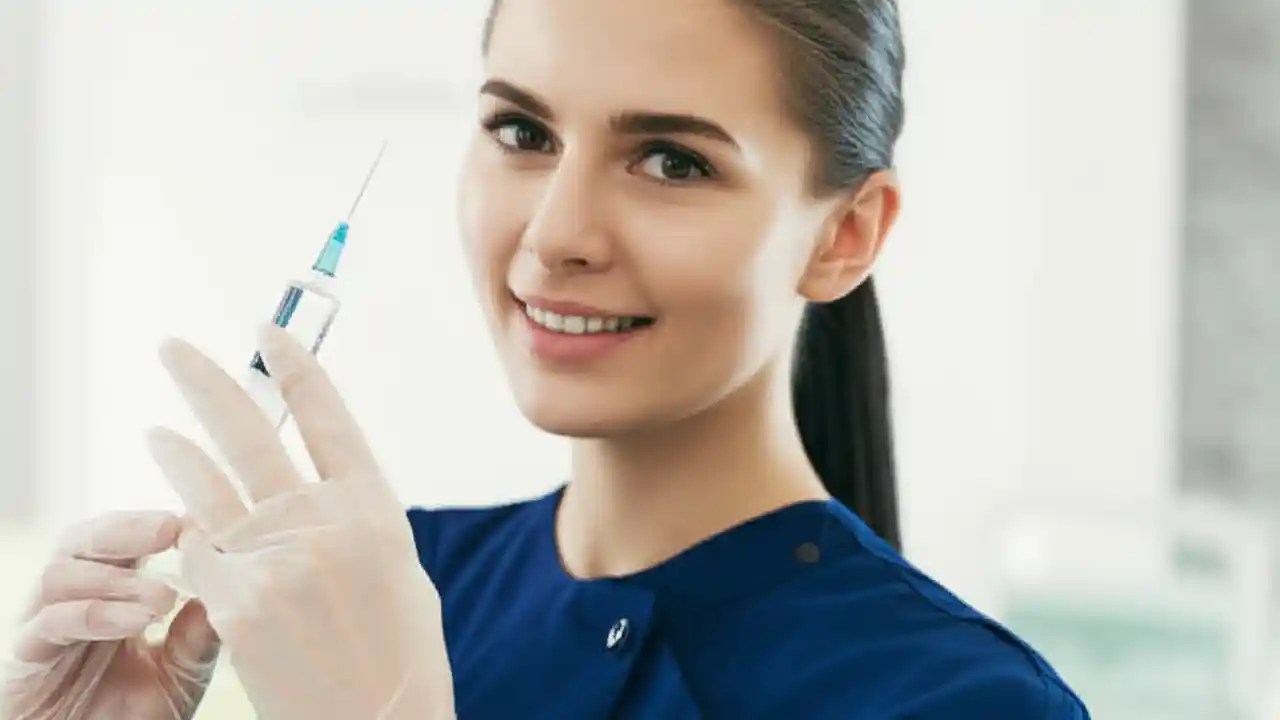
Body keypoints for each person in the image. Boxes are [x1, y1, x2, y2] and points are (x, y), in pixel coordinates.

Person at [1, 0, 1093, 717]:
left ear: (843, 234)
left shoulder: (957, 701)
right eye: (522, 134)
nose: (553, 233)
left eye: (669, 159)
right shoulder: (391, 590)